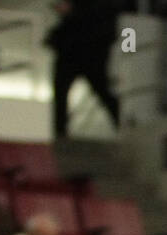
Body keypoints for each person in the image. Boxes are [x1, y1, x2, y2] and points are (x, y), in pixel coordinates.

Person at [47, 0, 120, 137]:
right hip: (76, 52)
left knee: (102, 91)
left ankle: (60, 131)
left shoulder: (99, 10)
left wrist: (72, 11)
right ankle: (60, 131)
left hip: (89, 52)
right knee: (62, 93)